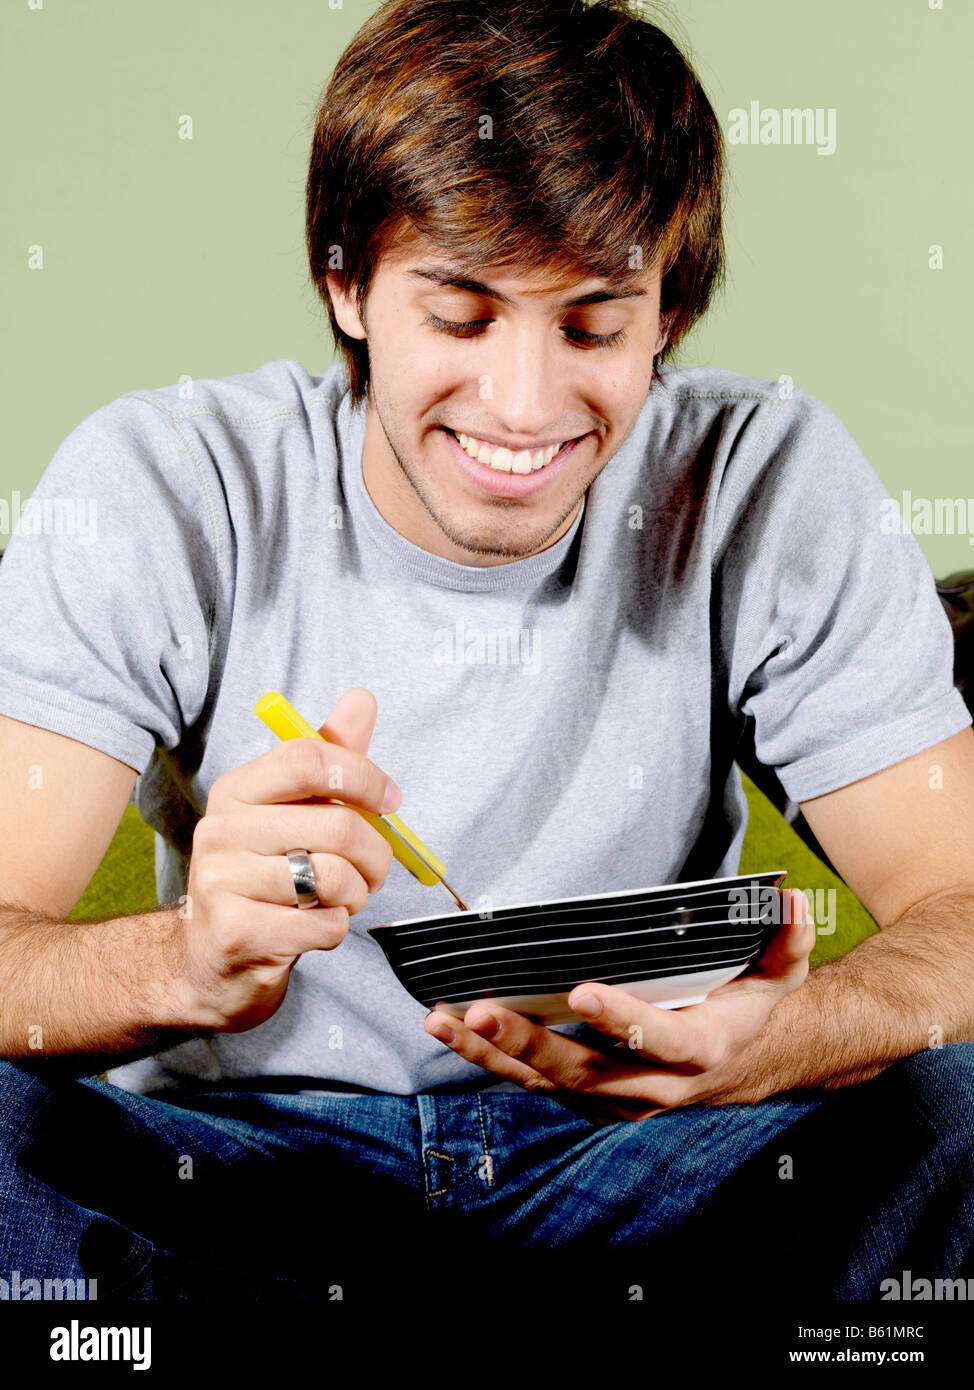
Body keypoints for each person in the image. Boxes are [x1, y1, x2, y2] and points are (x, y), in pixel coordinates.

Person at [1, 0, 972, 1303]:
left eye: (592, 324)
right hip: (234, 1164)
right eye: (460, 315)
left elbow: (958, 905)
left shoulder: (762, 478)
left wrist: (795, 1034)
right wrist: (181, 960)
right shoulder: (168, 483)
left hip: (654, 1156)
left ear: (668, 313)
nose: (522, 407)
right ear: (344, 282)